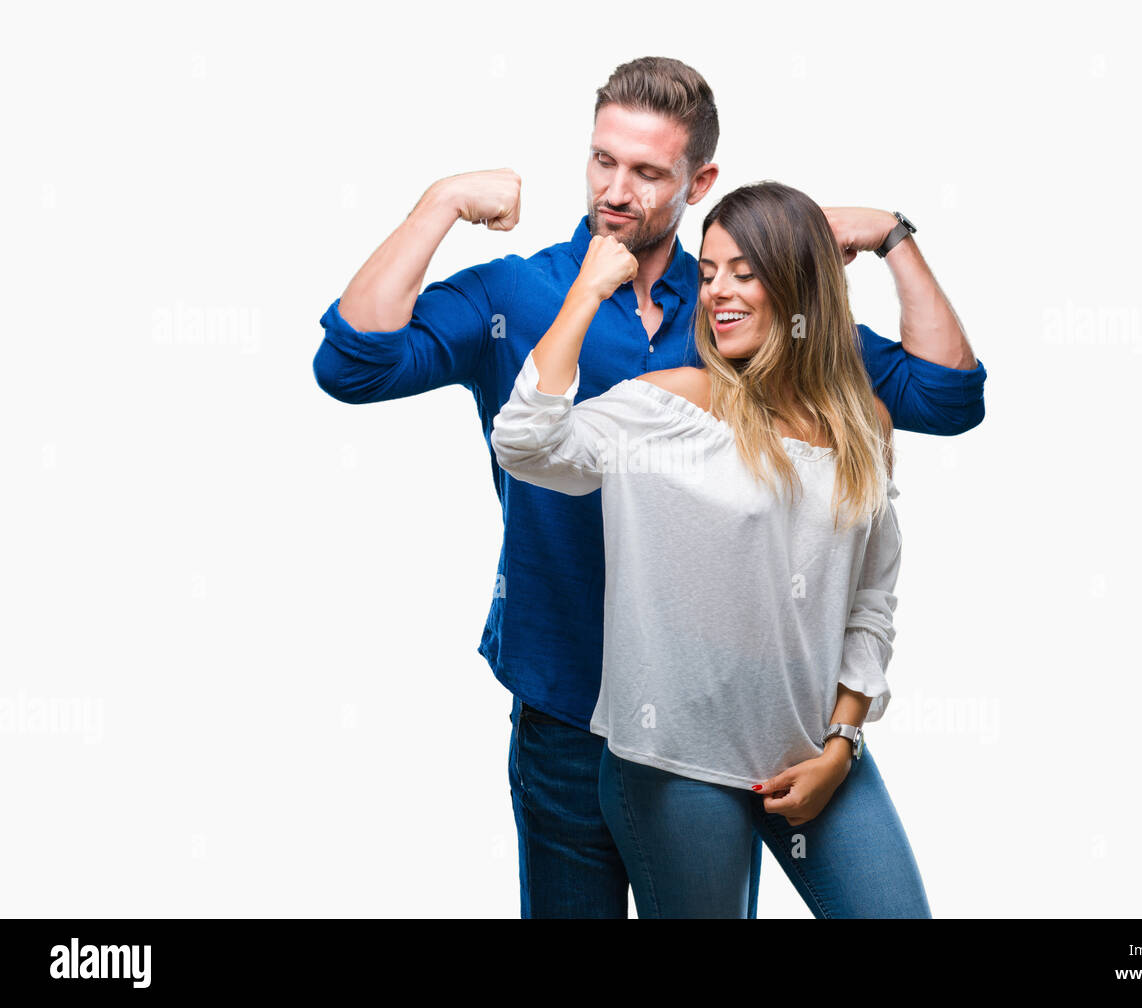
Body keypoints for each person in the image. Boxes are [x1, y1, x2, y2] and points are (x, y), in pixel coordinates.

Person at [313, 57, 987, 918]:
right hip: (566, 688)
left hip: (751, 698)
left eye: (647, 172)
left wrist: (891, 234)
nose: (616, 189)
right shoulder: (521, 294)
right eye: (603, 161)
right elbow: (353, 364)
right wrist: (440, 202)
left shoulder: (741, 307)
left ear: (700, 180)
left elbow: (946, 397)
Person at [490, 181, 930, 918]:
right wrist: (587, 294)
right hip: (674, 761)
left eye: (744, 273)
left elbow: (870, 601)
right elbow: (526, 443)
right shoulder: (670, 403)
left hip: (811, 750)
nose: (717, 292)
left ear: (799, 286)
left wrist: (842, 741)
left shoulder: (865, 423)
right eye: (708, 272)